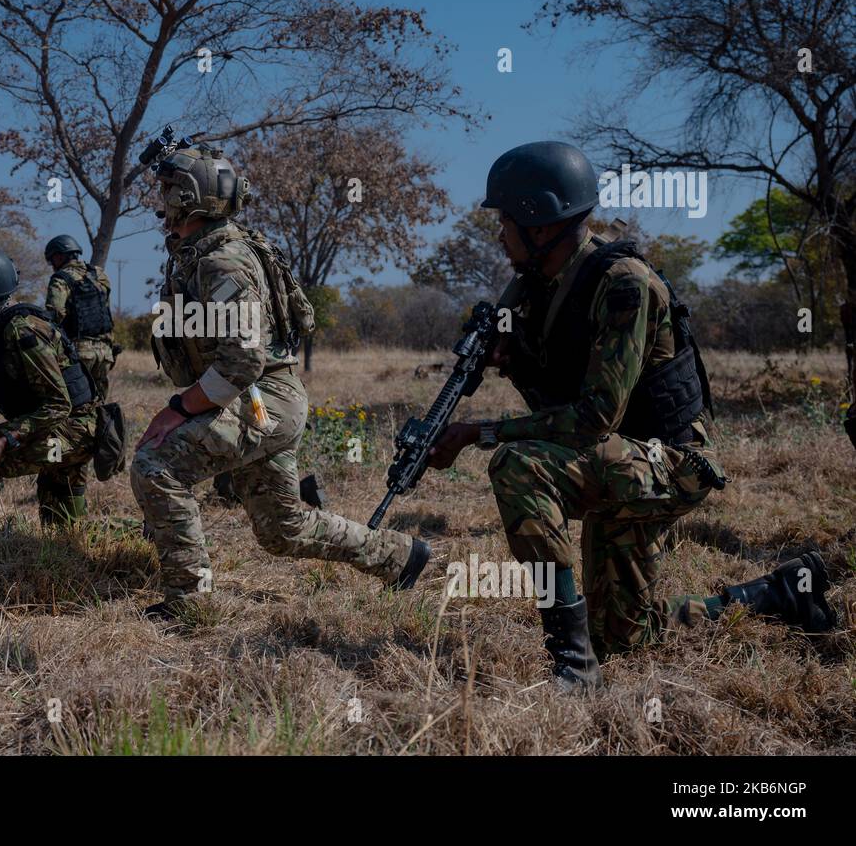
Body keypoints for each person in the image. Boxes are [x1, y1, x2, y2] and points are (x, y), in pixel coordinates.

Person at [424, 141, 837, 690]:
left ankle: (573, 662)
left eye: (504, 220)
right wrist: (517, 362)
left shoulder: (624, 285)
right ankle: (780, 594)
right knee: (625, 637)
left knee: (516, 464)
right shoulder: (534, 290)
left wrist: (482, 432)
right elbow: (564, 411)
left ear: (539, 224)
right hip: (619, 462)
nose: (498, 234)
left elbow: (594, 417)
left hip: (671, 463)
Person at [131, 142, 430, 620]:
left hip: (262, 399)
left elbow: (241, 363)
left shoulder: (222, 261)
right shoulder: (203, 253)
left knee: (156, 465)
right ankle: (399, 556)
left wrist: (179, 408)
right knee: (282, 530)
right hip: (259, 401)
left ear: (188, 198)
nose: (160, 201)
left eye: (167, 190)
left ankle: (189, 602)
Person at [0, 247, 99, 525]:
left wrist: (7, 438)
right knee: (58, 520)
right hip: (62, 427)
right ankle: (68, 550)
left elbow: (58, 403)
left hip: (74, 429)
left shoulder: (22, 329)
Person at [43, 235, 118, 401]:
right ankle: (106, 427)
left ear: (60, 256)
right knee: (100, 404)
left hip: (80, 352)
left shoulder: (61, 279)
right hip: (105, 352)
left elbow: (54, 315)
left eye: (52, 260)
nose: (52, 265)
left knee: (78, 406)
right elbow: (105, 309)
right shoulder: (99, 274)